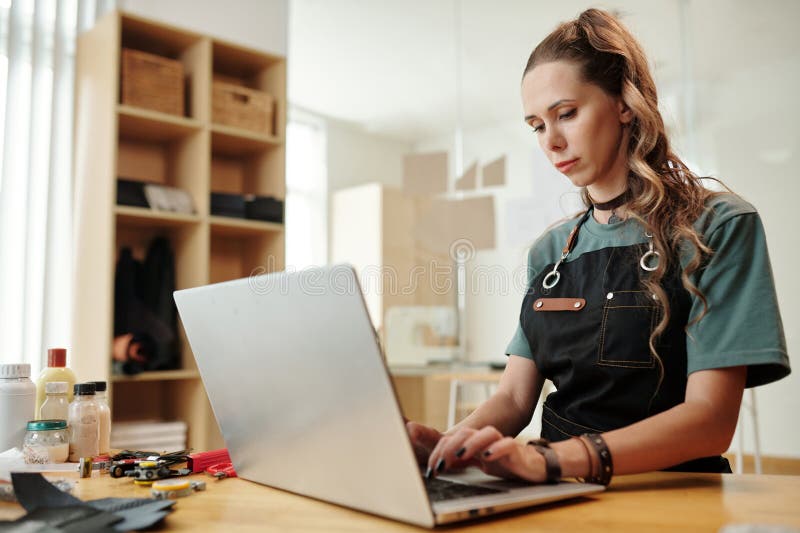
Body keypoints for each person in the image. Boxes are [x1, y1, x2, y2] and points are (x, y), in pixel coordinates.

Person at [406, 8, 790, 485]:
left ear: (624, 103)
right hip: (552, 490)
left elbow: (711, 420)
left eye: (566, 113)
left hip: (667, 496)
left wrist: (554, 460)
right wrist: (447, 447)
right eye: (536, 125)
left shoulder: (719, 225)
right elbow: (513, 400)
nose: (551, 140)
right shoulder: (550, 252)